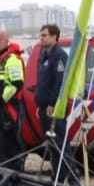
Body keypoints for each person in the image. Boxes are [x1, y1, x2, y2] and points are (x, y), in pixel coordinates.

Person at [0, 28, 27, 170]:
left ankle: (18, 171)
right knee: (3, 142)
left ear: (5, 41)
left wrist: (1, 100)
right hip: (2, 107)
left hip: (11, 107)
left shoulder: (12, 59)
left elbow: (16, 84)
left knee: (13, 142)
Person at [35, 24, 69, 162]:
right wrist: (40, 104)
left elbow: (60, 81)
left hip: (54, 108)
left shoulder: (59, 55)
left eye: (44, 35)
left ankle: (69, 178)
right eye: (41, 35)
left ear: (54, 37)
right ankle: (56, 177)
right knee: (52, 146)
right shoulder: (44, 55)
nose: (41, 38)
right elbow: (43, 82)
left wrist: (52, 103)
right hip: (44, 107)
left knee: (60, 143)